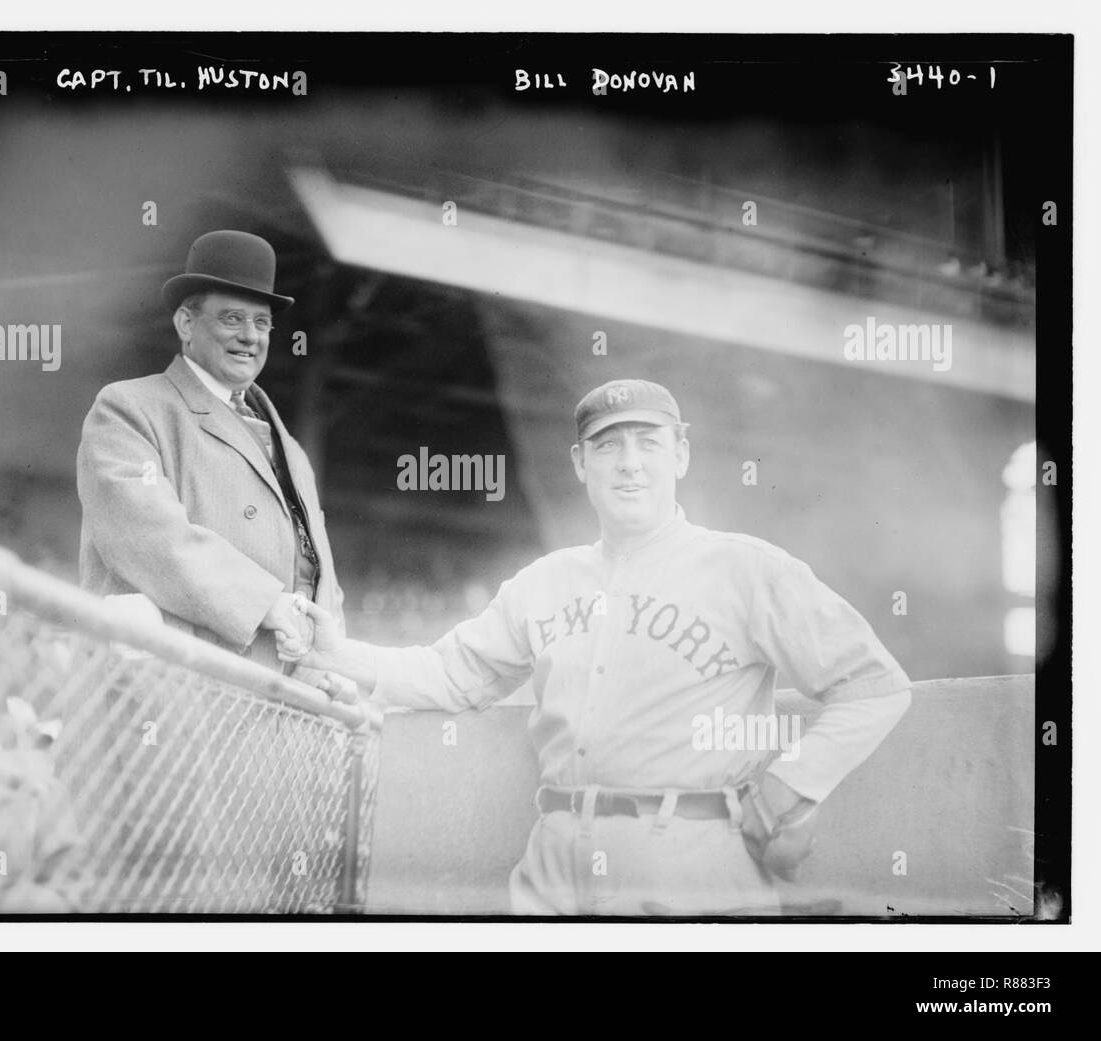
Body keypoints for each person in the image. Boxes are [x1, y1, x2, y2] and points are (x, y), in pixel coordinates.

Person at [289, 378, 913, 915]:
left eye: (649, 442)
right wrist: (334, 651)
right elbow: (451, 674)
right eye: (607, 445)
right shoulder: (544, 581)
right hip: (553, 860)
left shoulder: (747, 569)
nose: (629, 462)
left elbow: (873, 686)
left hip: (690, 860)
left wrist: (790, 786)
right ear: (581, 463)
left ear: (681, 455)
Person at [76, 230, 344, 676]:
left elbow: (321, 580)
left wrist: (334, 667)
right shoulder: (129, 408)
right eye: (232, 318)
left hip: (279, 708)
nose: (249, 337)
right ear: (186, 323)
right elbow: (151, 537)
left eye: (261, 323)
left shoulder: (292, 451)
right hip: (171, 698)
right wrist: (263, 603)